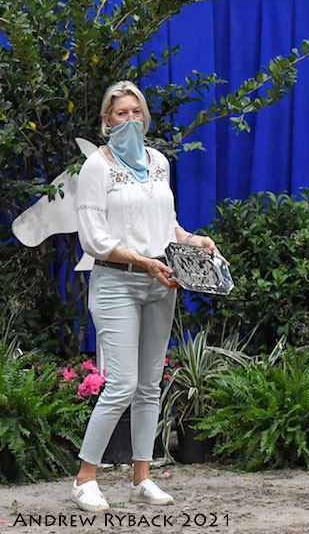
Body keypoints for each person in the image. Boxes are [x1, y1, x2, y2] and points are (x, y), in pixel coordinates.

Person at [71, 81, 218, 512]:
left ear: (145, 117)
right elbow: (95, 239)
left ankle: (142, 478)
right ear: (105, 121)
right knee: (121, 383)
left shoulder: (157, 163)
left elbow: (167, 223)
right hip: (117, 280)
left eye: (137, 112)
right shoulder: (96, 168)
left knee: (150, 384)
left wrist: (193, 240)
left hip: (161, 281)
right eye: (121, 113)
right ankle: (85, 478)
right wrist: (143, 262)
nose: (130, 119)